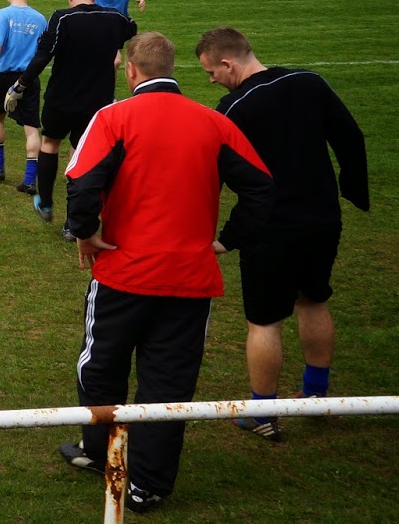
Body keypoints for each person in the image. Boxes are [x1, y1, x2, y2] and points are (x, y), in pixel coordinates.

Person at [58, 32, 272, 514]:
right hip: (189, 280)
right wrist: (229, 239)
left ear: (132, 70)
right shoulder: (214, 122)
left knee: (101, 364)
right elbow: (261, 188)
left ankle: (100, 451)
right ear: (172, 68)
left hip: (122, 274)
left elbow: (82, 182)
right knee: (169, 381)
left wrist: (85, 232)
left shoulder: (112, 117)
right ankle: (148, 485)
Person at [194, 27, 370, 440]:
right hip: (323, 219)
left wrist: (226, 235)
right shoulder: (310, 82)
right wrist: (353, 190)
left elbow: (213, 174)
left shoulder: (233, 109)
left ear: (228, 64)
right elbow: (350, 136)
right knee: (314, 299)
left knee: (264, 321)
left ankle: (262, 412)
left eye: (211, 72)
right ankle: (316, 395)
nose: (212, 80)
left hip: (271, 229)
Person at [4, 0, 137, 225]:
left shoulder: (62, 18)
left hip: (61, 99)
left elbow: (42, 56)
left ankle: (45, 203)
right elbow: (131, 28)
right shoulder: (114, 18)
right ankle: (72, 223)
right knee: (82, 154)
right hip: (97, 102)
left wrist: (20, 85)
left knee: (50, 144)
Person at [0, 0, 46, 187]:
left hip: (4, 77)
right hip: (28, 78)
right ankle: (30, 180)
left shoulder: (2, 15)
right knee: (31, 127)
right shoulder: (40, 19)